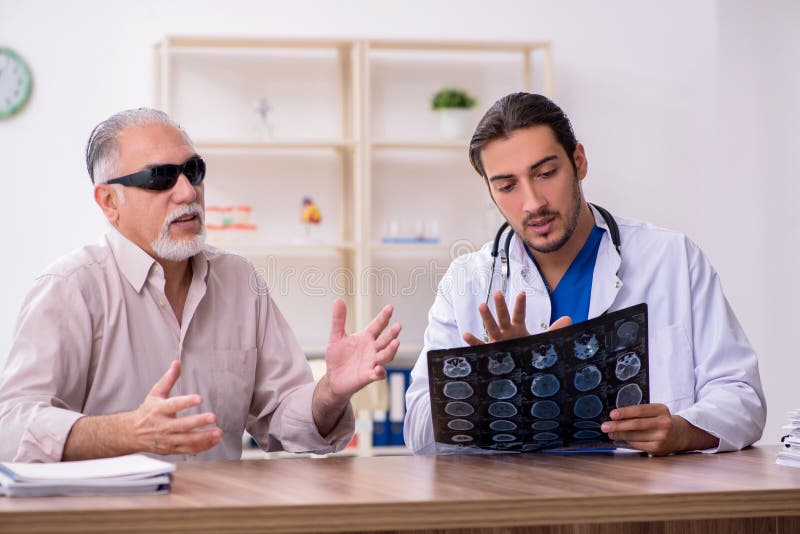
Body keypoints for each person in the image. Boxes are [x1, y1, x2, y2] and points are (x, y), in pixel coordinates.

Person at [0, 108, 401, 462]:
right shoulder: (70, 288)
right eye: (160, 178)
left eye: (194, 171)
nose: (188, 192)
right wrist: (127, 432)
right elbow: (11, 426)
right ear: (108, 202)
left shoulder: (240, 282)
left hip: (217, 520)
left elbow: (280, 420)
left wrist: (330, 391)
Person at [404, 92, 765, 456]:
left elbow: (742, 396)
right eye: (507, 186)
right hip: (517, 502)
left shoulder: (672, 259)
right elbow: (418, 428)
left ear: (578, 161)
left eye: (546, 174)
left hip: (645, 500)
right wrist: (491, 382)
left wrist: (682, 431)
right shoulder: (468, 281)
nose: (533, 203)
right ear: (489, 189)